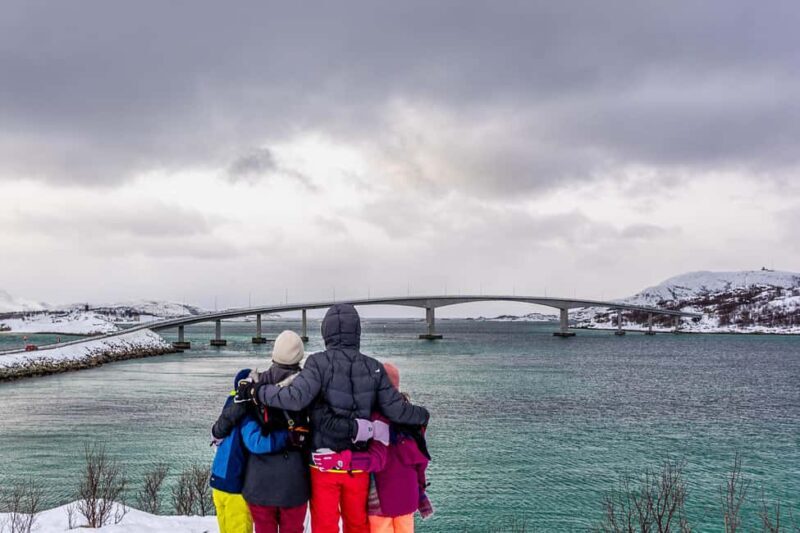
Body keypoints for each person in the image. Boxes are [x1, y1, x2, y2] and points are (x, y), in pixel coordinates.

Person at [239, 304, 430, 533]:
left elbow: (294, 398)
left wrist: (257, 392)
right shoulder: (374, 368)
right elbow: (396, 410)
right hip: (358, 466)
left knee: (325, 526)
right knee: (357, 525)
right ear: (357, 332)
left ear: (325, 331)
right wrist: (423, 415)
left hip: (322, 465)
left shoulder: (317, 363)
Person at [312, 363, 433, 533]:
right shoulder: (413, 417)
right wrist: (420, 491)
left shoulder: (377, 416)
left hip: (382, 499)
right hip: (408, 496)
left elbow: (375, 460)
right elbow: (421, 462)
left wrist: (341, 460)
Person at [241, 330, 311, 533]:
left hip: (259, 482)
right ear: (300, 356)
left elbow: (243, 425)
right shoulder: (307, 388)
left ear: (274, 353)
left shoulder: (254, 384)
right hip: (294, 483)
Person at [209, 368, 255, 533]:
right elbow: (256, 444)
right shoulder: (249, 416)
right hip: (235, 484)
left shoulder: (228, 408)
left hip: (218, 480)